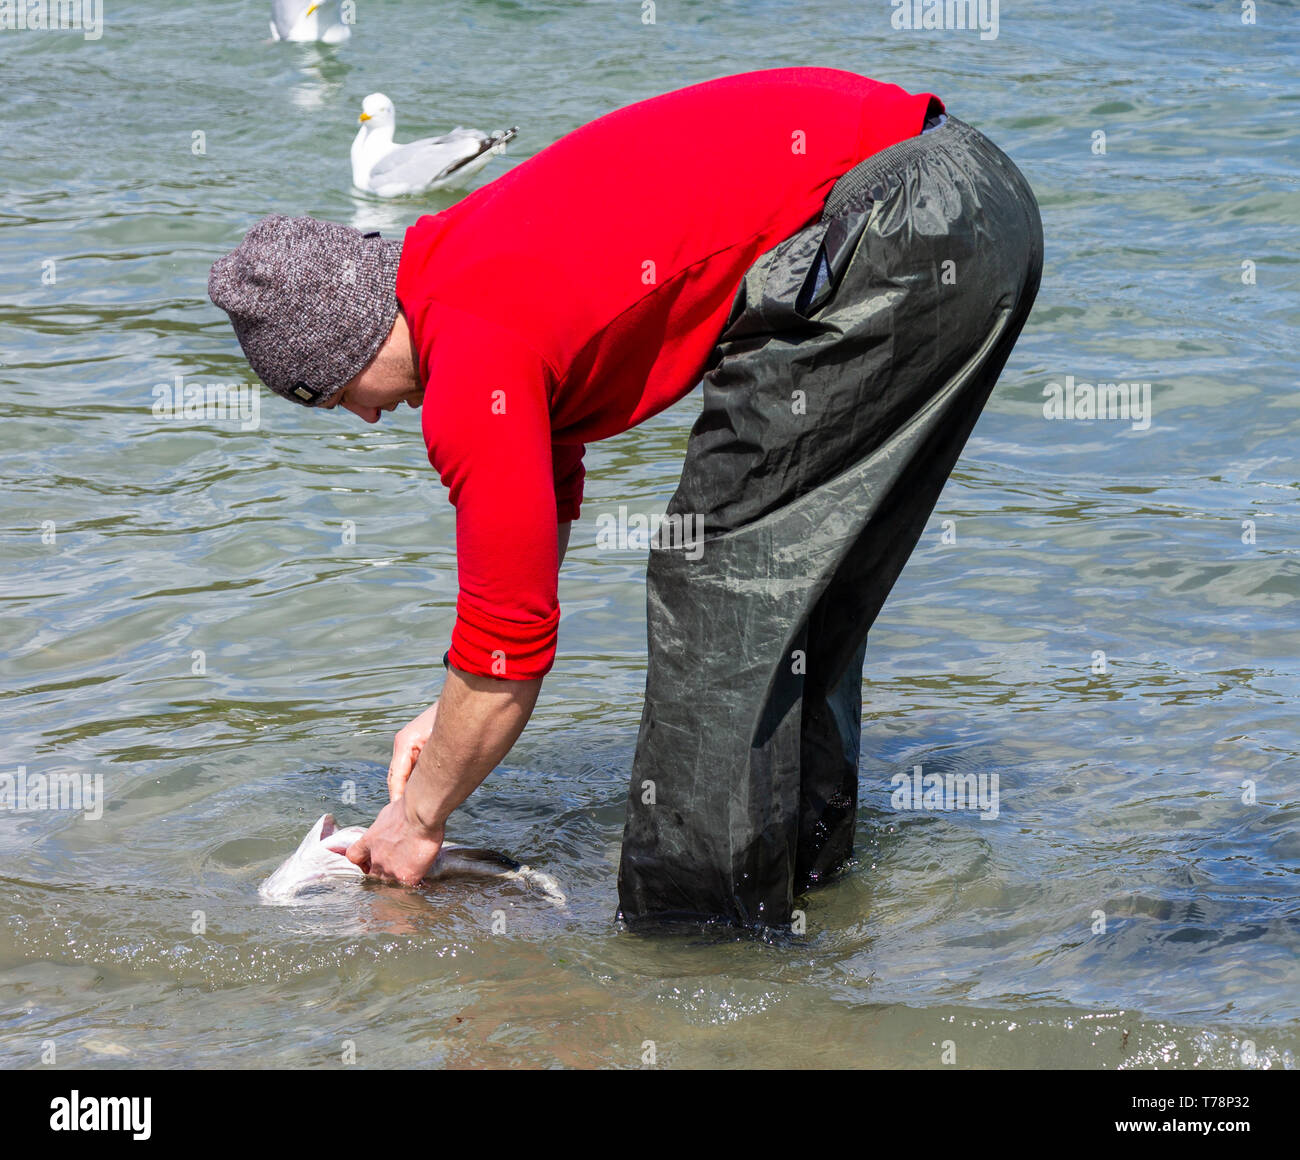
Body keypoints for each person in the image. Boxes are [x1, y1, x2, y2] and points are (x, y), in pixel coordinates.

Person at [208, 67, 1043, 932]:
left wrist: (415, 820)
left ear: (345, 343)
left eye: (333, 392)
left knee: (714, 574)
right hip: (969, 195)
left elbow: (509, 651)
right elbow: (534, 540)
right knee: (805, 584)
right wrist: (446, 713)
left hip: (892, 219)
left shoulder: (472, 352)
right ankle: (810, 907)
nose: (366, 414)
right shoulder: (474, 262)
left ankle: (696, 952)